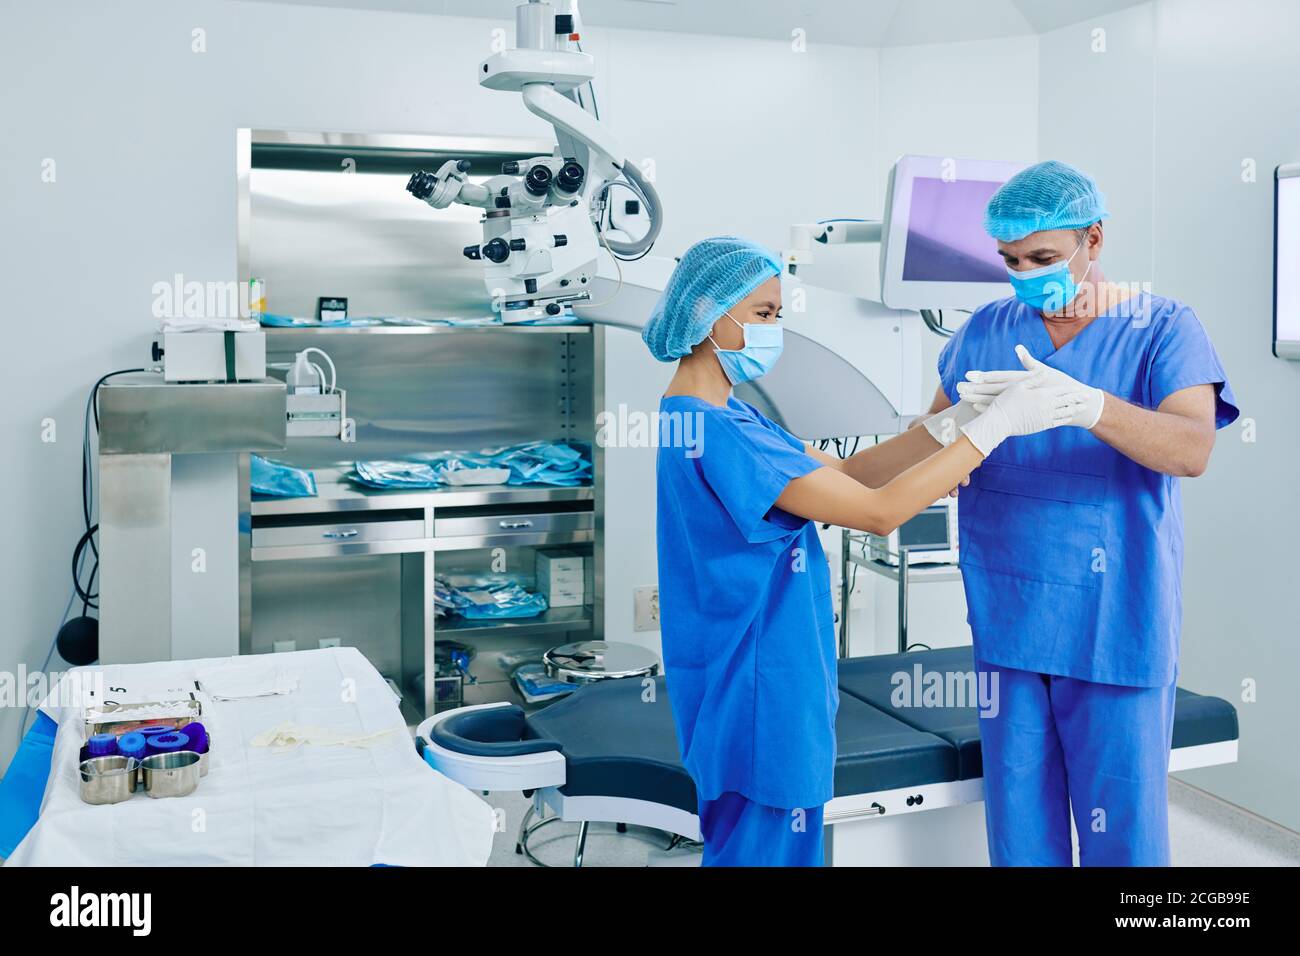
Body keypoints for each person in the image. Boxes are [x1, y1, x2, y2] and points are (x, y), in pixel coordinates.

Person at [640, 236, 1087, 866]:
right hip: (759, 686)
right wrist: (992, 431)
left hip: (747, 680)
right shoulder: (721, 431)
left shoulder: (716, 414)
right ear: (712, 314)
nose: (776, 330)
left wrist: (951, 423)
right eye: (765, 315)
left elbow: (852, 473)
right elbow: (879, 513)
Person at [924, 160, 1239, 865]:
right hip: (1009, 614)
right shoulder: (986, 329)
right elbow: (932, 452)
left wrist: (1090, 406)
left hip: (1115, 620)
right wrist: (956, 429)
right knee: (1020, 832)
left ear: (1093, 240)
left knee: (1121, 836)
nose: (1024, 275)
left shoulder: (1162, 327)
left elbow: (1192, 449)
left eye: (1041, 257)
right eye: (1009, 261)